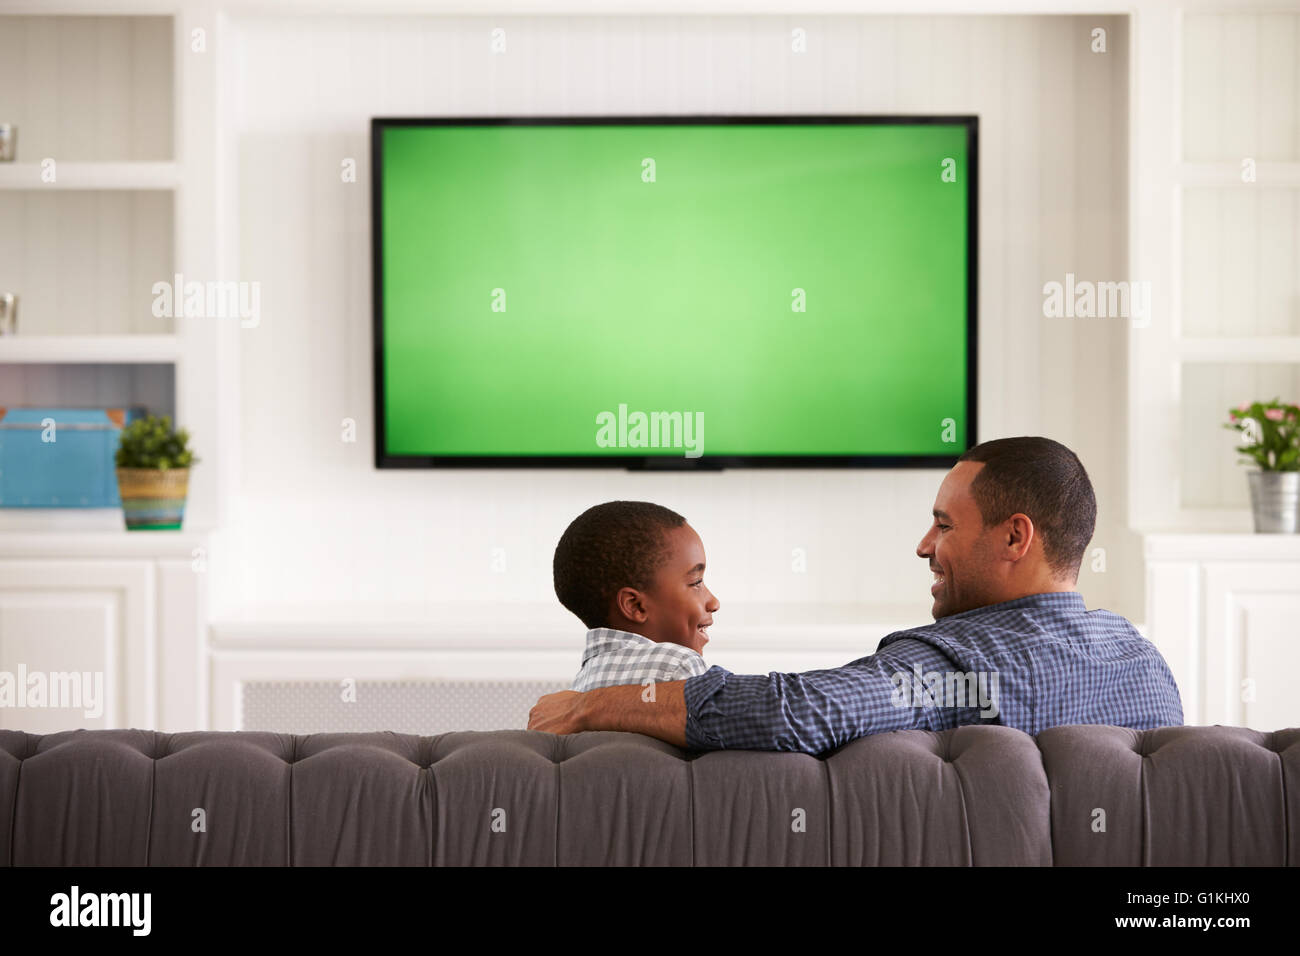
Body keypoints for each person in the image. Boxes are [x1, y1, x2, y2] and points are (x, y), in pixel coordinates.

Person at [528, 436, 1183, 753]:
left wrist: (593, 706)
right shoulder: (1146, 668)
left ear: (1017, 537)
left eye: (946, 525)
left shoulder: (963, 679)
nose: (925, 546)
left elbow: (795, 712)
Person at [554, 501, 719, 692]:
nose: (714, 602)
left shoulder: (583, 682)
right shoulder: (679, 665)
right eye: (696, 582)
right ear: (635, 606)